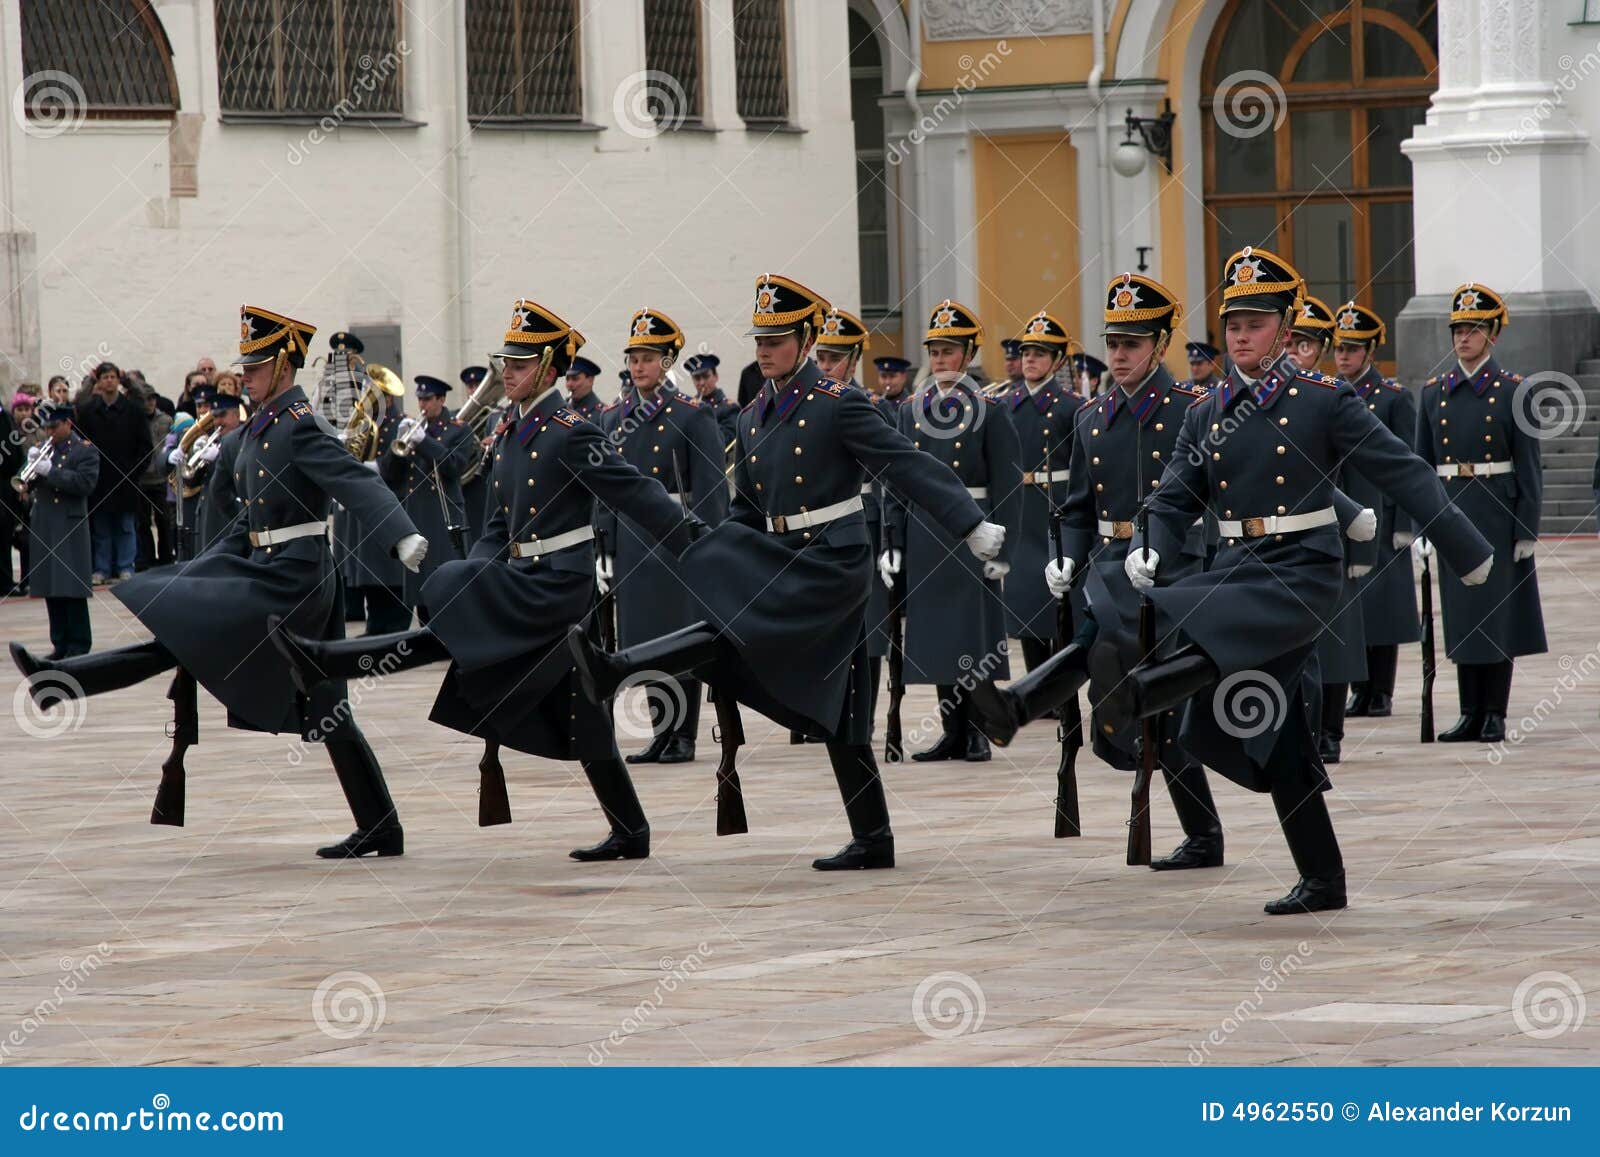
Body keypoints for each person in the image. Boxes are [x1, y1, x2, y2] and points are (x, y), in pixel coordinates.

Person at [970, 247, 1493, 914]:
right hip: (1238, 566)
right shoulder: (1207, 411)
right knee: (1271, 724)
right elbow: (1173, 497)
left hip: (1301, 569)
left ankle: (1133, 695)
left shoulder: (1322, 402)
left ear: (1285, 327)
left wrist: (1464, 548)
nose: (1243, 336)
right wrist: (1153, 548)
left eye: (1257, 323)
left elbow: (1405, 471)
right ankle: (1323, 877)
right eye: (1234, 325)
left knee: (1185, 623)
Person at [567, 273, 1007, 870]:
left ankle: (621, 667)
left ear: (804, 340)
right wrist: (720, 552)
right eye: (759, 341)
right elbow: (747, 507)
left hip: (832, 563)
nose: (764, 350)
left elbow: (904, 465)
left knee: (756, 648)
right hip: (781, 559)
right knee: (835, 698)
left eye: (776, 340)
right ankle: (873, 837)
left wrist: (968, 522)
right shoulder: (752, 417)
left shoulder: (838, 403)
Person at [272, 297, 695, 862]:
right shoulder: (514, 430)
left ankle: (334, 660)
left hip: (560, 589)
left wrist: (697, 549)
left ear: (547, 369)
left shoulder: (570, 430)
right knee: (579, 707)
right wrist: (481, 571)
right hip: (524, 580)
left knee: (450, 599)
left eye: (519, 366)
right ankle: (631, 831)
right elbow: (499, 523)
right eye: (507, 364)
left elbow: (636, 493)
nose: (508, 375)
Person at [13, 305, 428, 858]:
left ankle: (62, 679)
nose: (245, 376)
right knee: (328, 705)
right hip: (264, 568)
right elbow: (246, 519)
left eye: (255, 368)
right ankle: (382, 826)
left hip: (296, 578)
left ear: (283, 366)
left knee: (190, 638)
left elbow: (354, 481)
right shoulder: (261, 427)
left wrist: (399, 535)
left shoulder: (302, 424)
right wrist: (200, 569)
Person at [974, 275, 1222, 869]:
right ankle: (1203, 832)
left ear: (1160, 344)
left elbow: (1218, 495)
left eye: (1133, 343)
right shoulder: (1092, 417)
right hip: (1108, 567)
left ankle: (1020, 704)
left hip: (1175, 571)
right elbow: (1079, 507)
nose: (1119, 354)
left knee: (1147, 692)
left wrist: (1171, 546)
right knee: (1135, 686)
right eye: (1112, 342)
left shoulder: (1195, 410)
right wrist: (1067, 553)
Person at [881, 299, 1021, 764]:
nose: (940, 359)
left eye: (949, 350)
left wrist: (1006, 547)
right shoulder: (910, 412)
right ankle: (952, 730)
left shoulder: (990, 411)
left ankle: (978, 729)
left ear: (967, 355)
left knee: (971, 637)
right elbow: (897, 482)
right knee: (941, 638)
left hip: (974, 534)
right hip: (926, 533)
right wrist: (893, 542)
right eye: (935, 351)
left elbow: (1007, 484)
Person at [1414, 284, 1546, 743]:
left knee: (1497, 614)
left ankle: (1495, 712)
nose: (1463, 338)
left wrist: (1527, 526)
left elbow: (1529, 464)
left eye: (1473, 330)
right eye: (1458, 330)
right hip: (1452, 508)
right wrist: (1422, 526)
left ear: (1492, 335)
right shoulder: (1433, 394)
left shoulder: (1513, 391)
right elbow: (1420, 467)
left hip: (1496, 509)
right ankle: (1469, 711)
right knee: (1462, 614)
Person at [596, 309, 727, 764]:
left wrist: (708, 545)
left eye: (648, 358)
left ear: (668, 360)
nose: (638, 366)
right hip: (634, 541)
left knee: (680, 638)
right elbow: (606, 491)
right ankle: (660, 731)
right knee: (644, 639)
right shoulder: (614, 418)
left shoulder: (692, 416)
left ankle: (684, 735)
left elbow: (711, 489)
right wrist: (605, 545)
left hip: (678, 539)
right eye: (633, 358)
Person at [1287, 293, 1374, 766]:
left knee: (1334, 634)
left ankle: (1331, 730)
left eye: (1305, 343)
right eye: (1291, 341)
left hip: (1330, 526)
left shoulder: (1329, 397)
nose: (1296, 350)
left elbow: (1360, 471)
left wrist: (1360, 530)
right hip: (1278, 533)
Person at [1331, 302, 1419, 721]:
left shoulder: (1392, 399)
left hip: (1381, 514)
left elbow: (1406, 467)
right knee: (1355, 607)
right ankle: (1359, 688)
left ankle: (1380, 690)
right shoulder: (1330, 394)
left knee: (1383, 608)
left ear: (1370, 352)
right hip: (1347, 514)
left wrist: (1406, 523)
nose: (1343, 356)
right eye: (1339, 348)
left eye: (1352, 349)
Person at [381, 375, 474, 620]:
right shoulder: (413, 430)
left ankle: (452, 638)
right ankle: (427, 634)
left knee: (446, 581)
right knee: (420, 584)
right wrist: (397, 449)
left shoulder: (458, 429)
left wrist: (425, 442)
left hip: (444, 518)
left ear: (441, 400)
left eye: (428, 400)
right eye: (420, 399)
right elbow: (390, 476)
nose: (423, 405)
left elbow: (454, 467)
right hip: (416, 515)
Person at [19, 403, 100, 658]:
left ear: (68, 424)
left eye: (54, 426)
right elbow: (25, 486)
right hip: (45, 523)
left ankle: (79, 642)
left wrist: (51, 471)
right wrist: (29, 468)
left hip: (69, 523)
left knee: (70, 586)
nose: (50, 432)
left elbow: (84, 484)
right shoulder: (46, 451)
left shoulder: (85, 451)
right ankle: (60, 642)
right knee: (50, 585)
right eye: (47, 427)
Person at [73, 362, 152, 584]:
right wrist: (88, 381)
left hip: (126, 476)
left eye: (113, 377)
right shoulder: (90, 412)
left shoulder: (132, 410)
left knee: (126, 526)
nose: (109, 381)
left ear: (118, 380)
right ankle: (102, 568)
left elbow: (145, 446)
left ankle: (126, 566)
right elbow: (81, 434)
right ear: (99, 380)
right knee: (102, 527)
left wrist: (135, 471)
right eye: (104, 377)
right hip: (99, 477)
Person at [457, 364, 498, 549]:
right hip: (464, 488)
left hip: (484, 486)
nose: (474, 391)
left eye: (477, 385)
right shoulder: (456, 419)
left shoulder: (498, 416)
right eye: (470, 386)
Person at [135, 385, 175, 570]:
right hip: (142, 478)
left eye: (152, 399)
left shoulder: (165, 420)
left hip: (160, 478)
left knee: (163, 520)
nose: (149, 403)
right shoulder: (136, 420)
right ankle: (147, 558)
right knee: (142, 522)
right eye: (146, 399)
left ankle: (166, 556)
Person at [685, 352, 740, 445]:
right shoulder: (687, 407)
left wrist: (702, 415)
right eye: (697, 378)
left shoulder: (729, 408)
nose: (702, 382)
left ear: (716, 376)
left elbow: (725, 441)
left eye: (706, 376)